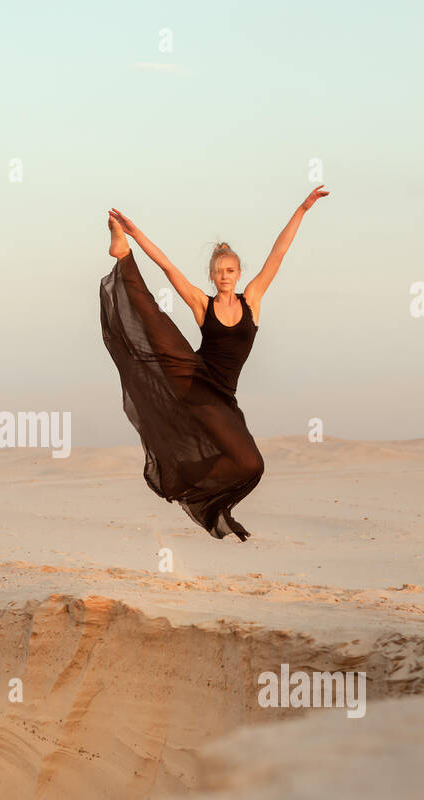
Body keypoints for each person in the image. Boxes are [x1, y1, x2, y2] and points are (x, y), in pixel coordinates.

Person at [99, 186, 329, 540]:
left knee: (251, 464)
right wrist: (135, 232)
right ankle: (122, 252)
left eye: (231, 270)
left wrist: (302, 208)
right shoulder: (202, 305)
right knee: (153, 322)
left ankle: (197, 489)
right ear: (212, 275)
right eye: (219, 271)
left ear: (238, 274)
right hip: (195, 379)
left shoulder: (252, 300)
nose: (225, 275)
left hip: (223, 397)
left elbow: (278, 254)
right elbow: (167, 266)